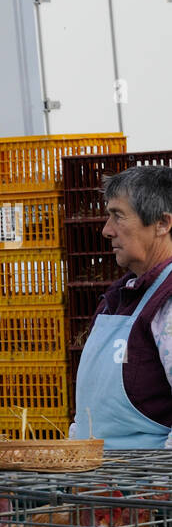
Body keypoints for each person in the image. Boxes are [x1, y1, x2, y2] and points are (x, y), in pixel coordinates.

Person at [71, 164, 172, 448]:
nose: (106, 230)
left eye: (118, 216)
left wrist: (158, 487)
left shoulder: (167, 299)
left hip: (146, 484)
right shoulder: (118, 298)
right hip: (101, 481)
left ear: (162, 224)